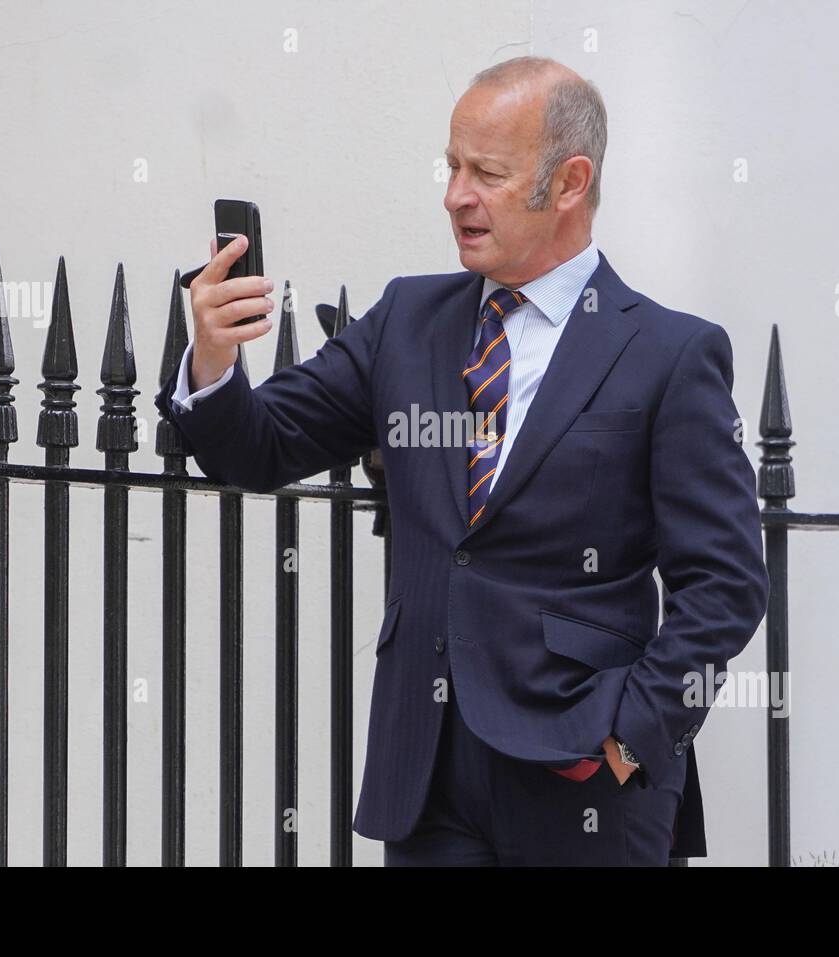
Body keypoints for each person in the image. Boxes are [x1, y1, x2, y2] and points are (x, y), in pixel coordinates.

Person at [153, 55, 768, 866]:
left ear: (570, 182)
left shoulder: (667, 352)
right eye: (451, 167)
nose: (455, 196)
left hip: (586, 778)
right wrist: (213, 361)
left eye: (487, 173)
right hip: (427, 771)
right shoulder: (407, 320)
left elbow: (725, 583)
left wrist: (630, 735)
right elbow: (261, 447)